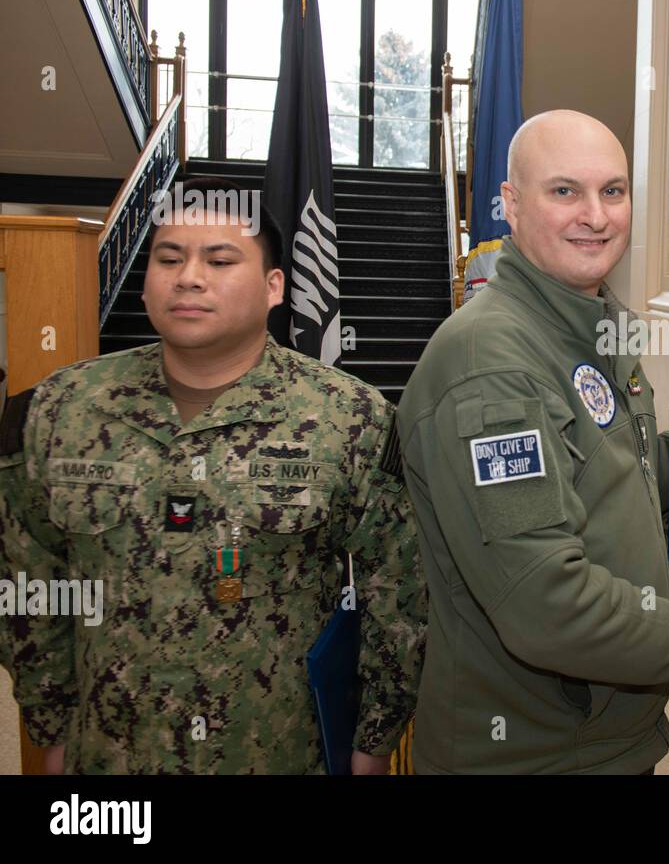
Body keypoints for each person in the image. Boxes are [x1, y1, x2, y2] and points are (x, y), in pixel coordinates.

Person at [0, 177, 425, 774]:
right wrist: (50, 729)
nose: (189, 276)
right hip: (110, 759)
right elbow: (28, 588)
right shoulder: (59, 411)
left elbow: (398, 594)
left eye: (219, 260)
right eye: (168, 257)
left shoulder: (348, 418)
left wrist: (373, 742)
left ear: (275, 285)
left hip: (276, 751)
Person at [397, 110, 669, 774]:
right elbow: (545, 605)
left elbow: (619, 476)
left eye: (613, 191)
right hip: (531, 754)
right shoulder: (494, 365)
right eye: (564, 191)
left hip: (600, 742)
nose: (595, 214)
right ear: (509, 204)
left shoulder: (583, 326)